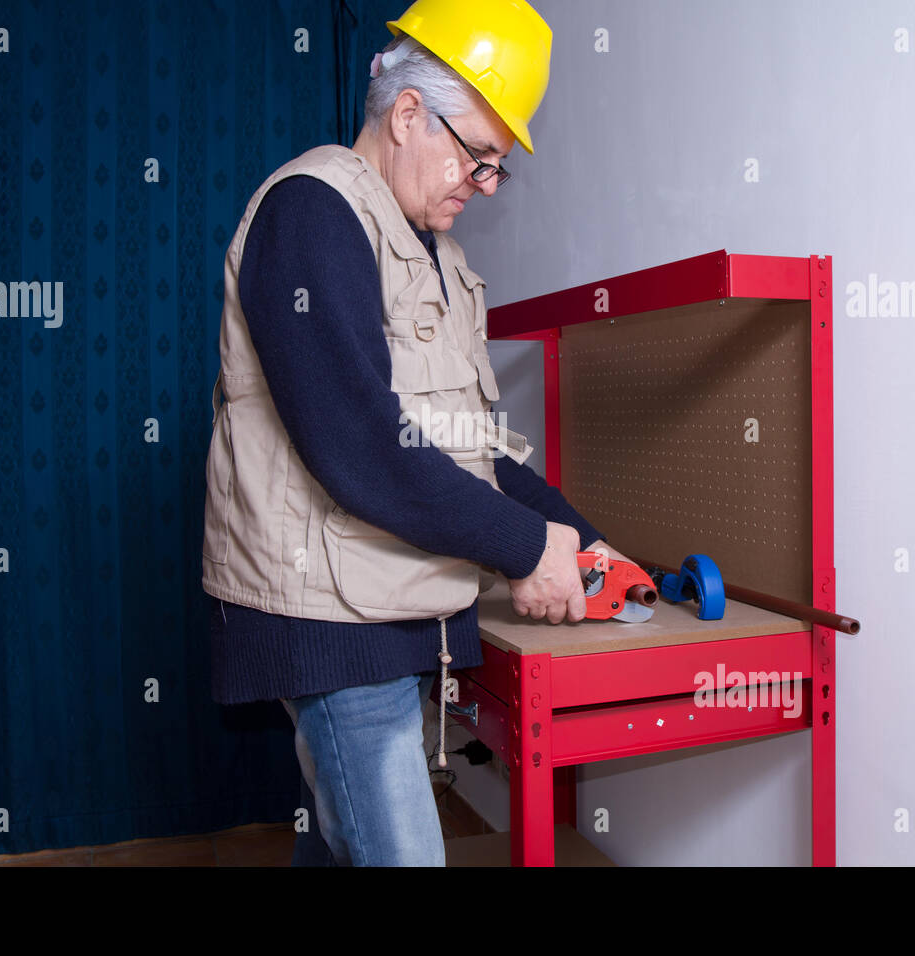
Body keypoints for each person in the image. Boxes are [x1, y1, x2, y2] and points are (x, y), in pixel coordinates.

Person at [200, 0, 635, 866]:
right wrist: (523, 549)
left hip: (385, 603)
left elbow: (469, 449)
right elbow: (360, 443)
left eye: (495, 172)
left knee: (341, 838)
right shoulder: (313, 214)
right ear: (407, 115)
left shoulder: (439, 258)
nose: (479, 187)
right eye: (476, 160)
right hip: (331, 619)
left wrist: (585, 544)